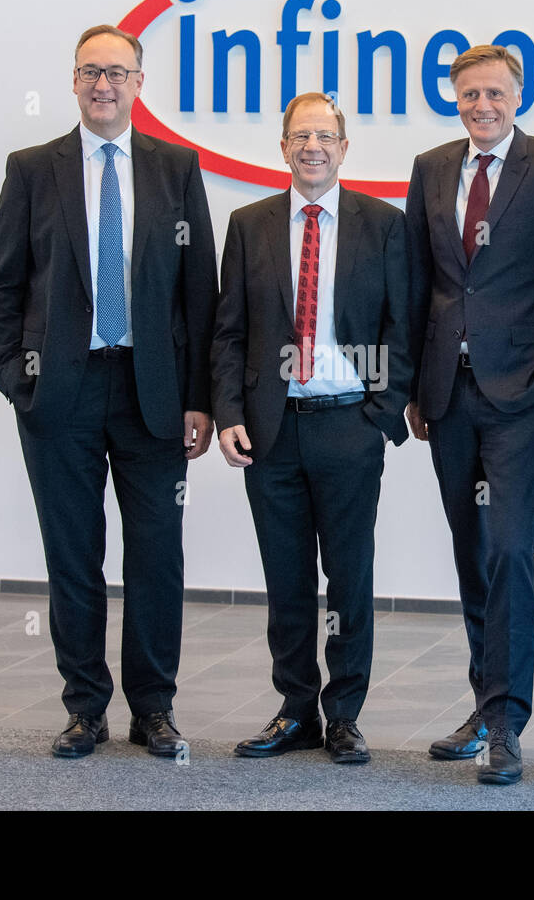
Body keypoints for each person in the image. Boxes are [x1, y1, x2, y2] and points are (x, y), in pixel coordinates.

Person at [0, 25, 218, 760]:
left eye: (117, 72)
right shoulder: (32, 169)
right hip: (61, 397)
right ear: (73, 82)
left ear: (140, 83)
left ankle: (154, 708)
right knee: (73, 557)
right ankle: (84, 708)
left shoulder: (176, 167)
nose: (103, 85)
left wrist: (200, 397)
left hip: (153, 393)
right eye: (90, 72)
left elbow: (197, 293)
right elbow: (2, 287)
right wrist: (20, 379)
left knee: (157, 556)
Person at [405, 45, 534, 785]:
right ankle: (485, 702)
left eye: (495, 93)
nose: (482, 104)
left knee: (511, 547)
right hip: (448, 392)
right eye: (469, 93)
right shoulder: (431, 167)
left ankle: (507, 722)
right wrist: (416, 386)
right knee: (472, 549)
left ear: (520, 95)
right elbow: (421, 281)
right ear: (455, 98)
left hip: (519, 394)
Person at [212, 92, 410, 765]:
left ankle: (344, 714)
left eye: (325, 136)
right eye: (300, 136)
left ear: (345, 147)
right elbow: (229, 332)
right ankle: (296, 709)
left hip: (348, 425)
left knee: (348, 577)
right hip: (271, 431)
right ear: (284, 147)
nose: (313, 147)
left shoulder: (382, 224)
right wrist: (230, 415)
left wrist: (380, 414)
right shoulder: (249, 224)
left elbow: (401, 328)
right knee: (287, 578)